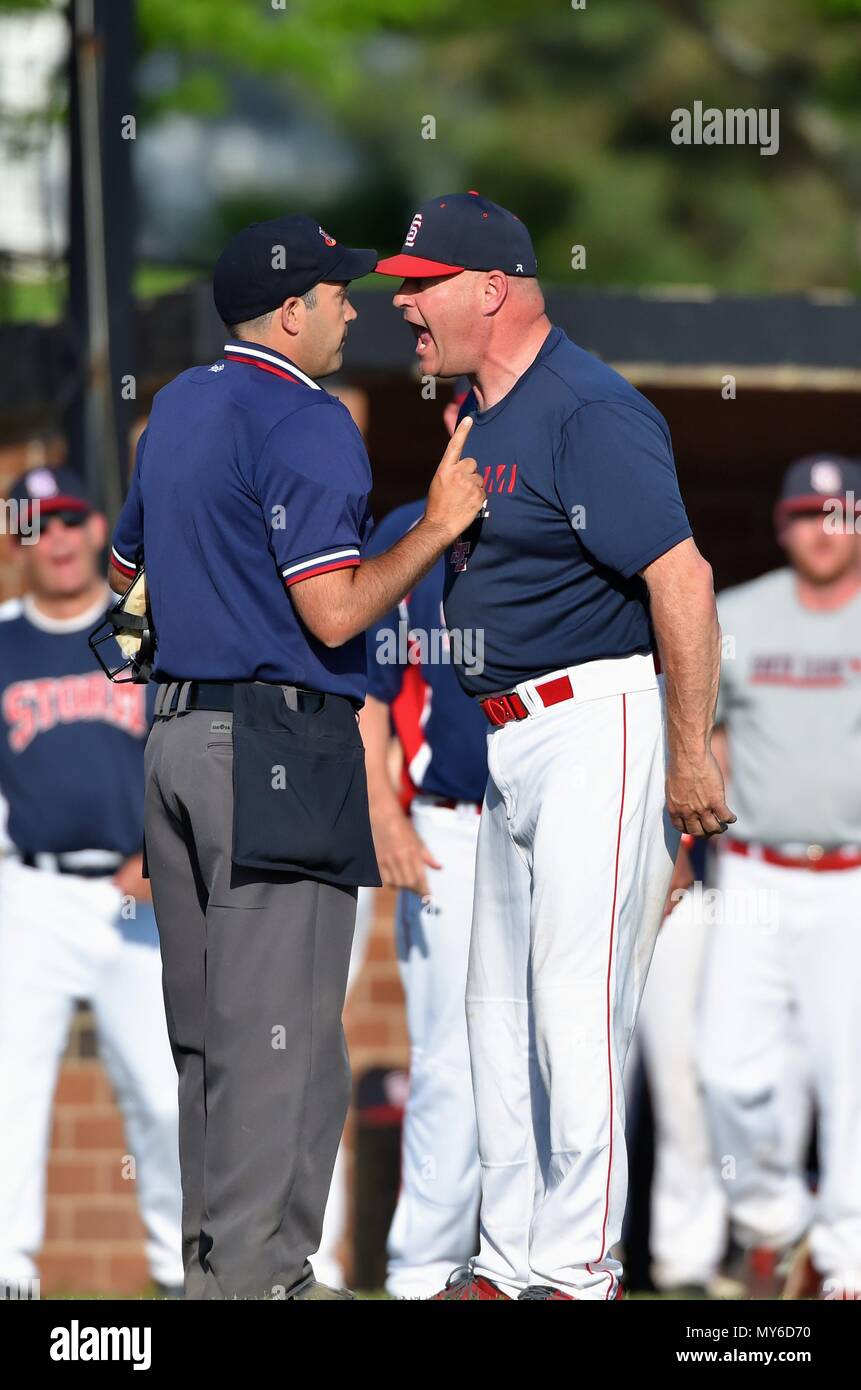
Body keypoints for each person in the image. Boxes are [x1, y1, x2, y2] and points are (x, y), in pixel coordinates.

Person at [107, 214, 484, 1300]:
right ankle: (254, 1282)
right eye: (335, 294)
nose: (352, 309)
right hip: (273, 745)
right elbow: (334, 613)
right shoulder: (313, 421)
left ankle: (223, 1273)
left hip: (175, 741)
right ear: (290, 312)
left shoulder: (176, 405)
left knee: (211, 1041)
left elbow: (127, 578)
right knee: (280, 1041)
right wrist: (435, 524)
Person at [375, 191, 733, 1300]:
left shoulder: (586, 405)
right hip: (508, 741)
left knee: (574, 1006)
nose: (405, 310)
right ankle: (508, 1255)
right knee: (494, 1013)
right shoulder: (483, 415)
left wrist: (688, 754)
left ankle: (578, 1271)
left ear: (493, 288)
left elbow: (683, 578)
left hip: (598, 717)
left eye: (421, 287)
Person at [0, 466, 182, 1298]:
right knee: (10, 1097)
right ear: (19, 543)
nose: (59, 538)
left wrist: (166, 845)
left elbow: (192, 756)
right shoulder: (3, 638)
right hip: (27, 892)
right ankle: (10, 1280)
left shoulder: (142, 633)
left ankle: (178, 1276)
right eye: (40, 524)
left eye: (72, 519)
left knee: (164, 1094)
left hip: (133, 897)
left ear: (98, 528)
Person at [698, 454, 861, 1301]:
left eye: (837, 513)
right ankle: (771, 1221)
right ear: (780, 525)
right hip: (753, 871)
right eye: (805, 513)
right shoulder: (735, 617)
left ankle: (846, 1264)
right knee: (725, 1068)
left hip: (852, 880)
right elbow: (696, 739)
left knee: (852, 1078)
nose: (821, 530)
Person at [361, 463, 489, 1298]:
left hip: (564, 822)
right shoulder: (409, 528)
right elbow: (367, 690)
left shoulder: (575, 516)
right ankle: (421, 1274)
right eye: (465, 407)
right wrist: (383, 812)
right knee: (447, 1057)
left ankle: (543, 1267)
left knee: (565, 1051)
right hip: (449, 822)